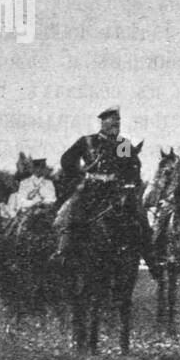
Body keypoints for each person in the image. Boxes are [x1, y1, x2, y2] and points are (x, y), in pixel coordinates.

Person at [51, 106, 138, 261]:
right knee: (68, 212)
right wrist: (80, 174)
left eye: (118, 121)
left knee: (138, 216)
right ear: (103, 122)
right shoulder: (88, 141)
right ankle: (62, 251)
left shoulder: (122, 144)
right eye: (112, 120)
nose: (116, 124)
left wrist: (128, 182)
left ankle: (151, 257)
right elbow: (67, 160)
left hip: (115, 191)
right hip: (91, 190)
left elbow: (131, 165)